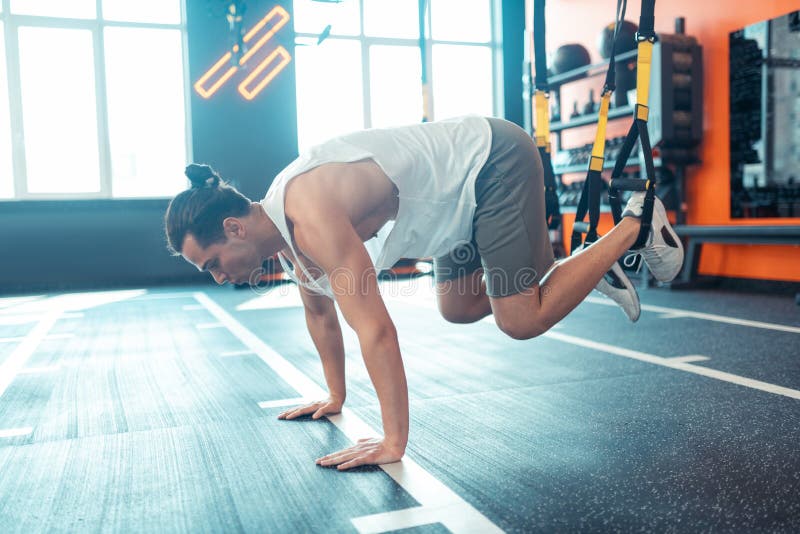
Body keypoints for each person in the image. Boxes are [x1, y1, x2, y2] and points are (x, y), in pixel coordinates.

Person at [164, 116, 684, 471]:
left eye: (210, 264)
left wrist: (393, 442)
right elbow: (321, 317)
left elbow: (376, 330)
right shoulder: (283, 240)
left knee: (520, 318)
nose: (217, 277)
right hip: (446, 212)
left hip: (487, 165)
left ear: (233, 229)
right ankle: (589, 266)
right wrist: (336, 396)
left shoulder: (308, 214)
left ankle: (634, 228)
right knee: (456, 308)